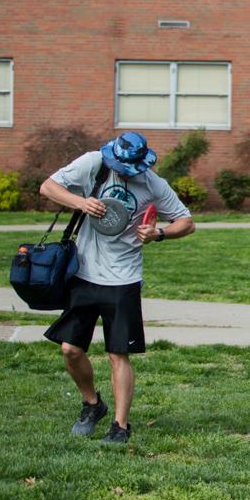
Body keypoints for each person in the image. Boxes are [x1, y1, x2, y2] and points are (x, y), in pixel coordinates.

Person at [39, 132, 194, 444]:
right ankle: (92, 405)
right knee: (70, 349)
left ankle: (120, 427)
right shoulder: (93, 164)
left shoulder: (152, 183)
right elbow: (47, 187)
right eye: (120, 166)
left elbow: (186, 222)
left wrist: (158, 233)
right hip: (83, 272)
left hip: (123, 278)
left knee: (117, 353)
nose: (124, 172)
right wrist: (81, 202)